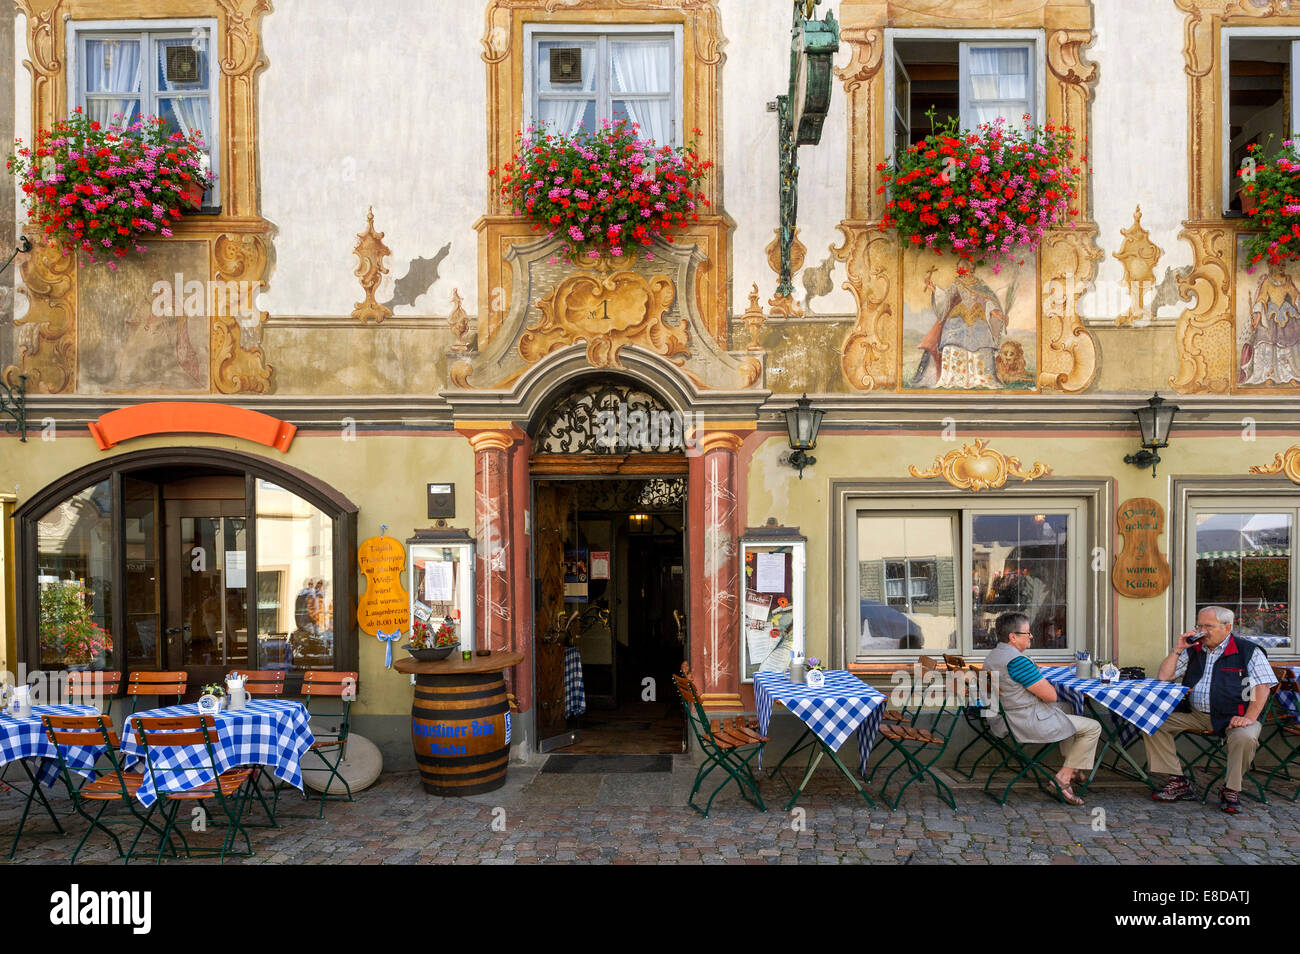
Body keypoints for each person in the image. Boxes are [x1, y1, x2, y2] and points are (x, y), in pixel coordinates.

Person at [1145, 605, 1277, 814]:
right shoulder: (1195, 649)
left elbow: (1262, 686)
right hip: (1196, 715)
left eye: (1208, 626)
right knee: (1149, 722)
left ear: (1227, 627)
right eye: (1199, 626)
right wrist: (1178, 648)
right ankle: (1177, 781)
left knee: (1245, 737)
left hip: (1235, 717)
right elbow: (1164, 676)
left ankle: (1231, 789)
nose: (1202, 631)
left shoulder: (1248, 650)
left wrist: (1249, 717)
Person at [983, 611, 1101, 805]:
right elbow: (1050, 695)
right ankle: (1063, 777)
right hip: (1023, 722)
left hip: (1002, 717)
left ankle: (1074, 766)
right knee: (1093, 727)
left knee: (1068, 707)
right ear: (1012, 637)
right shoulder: (1018, 661)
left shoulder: (994, 655)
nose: (1031, 636)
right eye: (1027, 633)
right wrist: (1039, 677)